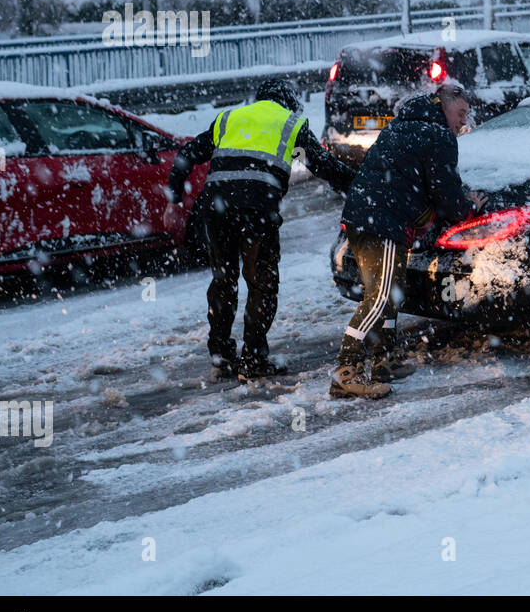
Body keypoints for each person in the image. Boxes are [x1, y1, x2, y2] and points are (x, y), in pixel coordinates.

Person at [167, 78, 355, 377]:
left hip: (216, 210)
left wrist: (174, 200)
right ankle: (253, 358)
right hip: (257, 211)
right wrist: (356, 186)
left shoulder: (229, 119)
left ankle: (221, 355)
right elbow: (321, 166)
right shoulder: (290, 125)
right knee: (261, 285)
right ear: (290, 102)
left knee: (223, 280)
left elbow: (185, 156)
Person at [332, 82, 486, 399]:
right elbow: (445, 195)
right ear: (445, 105)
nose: (462, 122)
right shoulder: (438, 135)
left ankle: (385, 360)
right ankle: (346, 372)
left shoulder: (404, 125)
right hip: (384, 220)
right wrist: (470, 206)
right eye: (461, 113)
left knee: (389, 294)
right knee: (379, 297)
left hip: (365, 214)